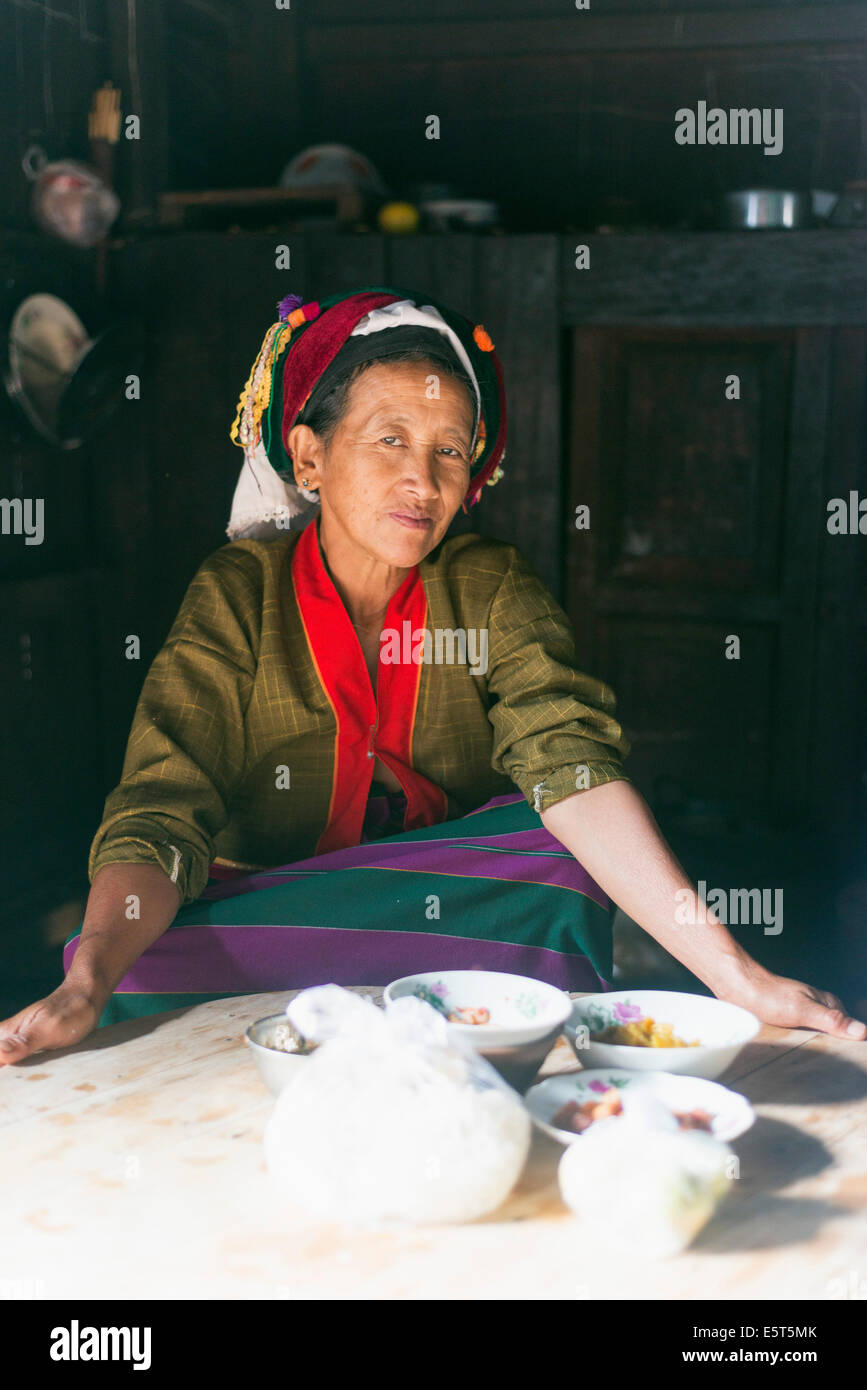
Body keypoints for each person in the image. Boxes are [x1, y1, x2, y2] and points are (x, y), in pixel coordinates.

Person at [2, 286, 863, 1063]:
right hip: (275, 911)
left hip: (447, 904)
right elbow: (162, 808)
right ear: (308, 458)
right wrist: (87, 987)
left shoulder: (489, 585)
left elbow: (572, 767)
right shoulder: (236, 594)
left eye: (450, 451)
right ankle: (407, 995)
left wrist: (736, 975)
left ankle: (356, 1003)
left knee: (557, 862)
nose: (421, 478)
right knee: (115, 948)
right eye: (389, 440)